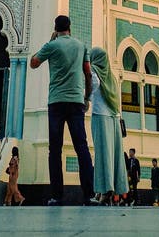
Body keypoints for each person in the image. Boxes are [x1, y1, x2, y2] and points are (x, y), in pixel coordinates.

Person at [30, 14, 94, 206]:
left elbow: (33, 63)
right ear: (70, 27)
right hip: (76, 102)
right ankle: (88, 196)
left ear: (56, 28)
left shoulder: (52, 46)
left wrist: (50, 41)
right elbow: (88, 73)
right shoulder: (81, 45)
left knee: (55, 150)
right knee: (81, 147)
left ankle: (57, 196)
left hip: (56, 102)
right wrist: (86, 97)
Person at [89, 46, 129, 205]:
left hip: (101, 116)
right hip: (114, 118)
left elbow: (91, 89)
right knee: (114, 155)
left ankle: (104, 191)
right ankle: (106, 190)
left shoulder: (94, 73)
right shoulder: (111, 76)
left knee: (102, 154)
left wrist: (85, 97)